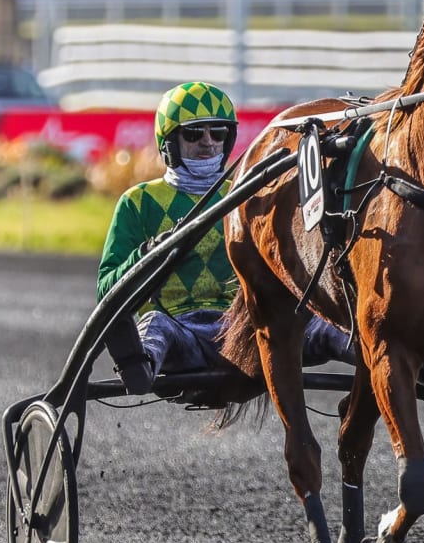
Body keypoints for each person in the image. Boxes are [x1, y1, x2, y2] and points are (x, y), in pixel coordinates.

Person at [97, 81, 352, 394]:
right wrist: (152, 251)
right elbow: (107, 288)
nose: (208, 142)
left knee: (326, 324)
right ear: (169, 142)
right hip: (183, 331)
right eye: (194, 133)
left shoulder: (247, 194)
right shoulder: (139, 202)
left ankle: (380, 349)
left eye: (217, 133)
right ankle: (138, 365)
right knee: (154, 325)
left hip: (252, 331)